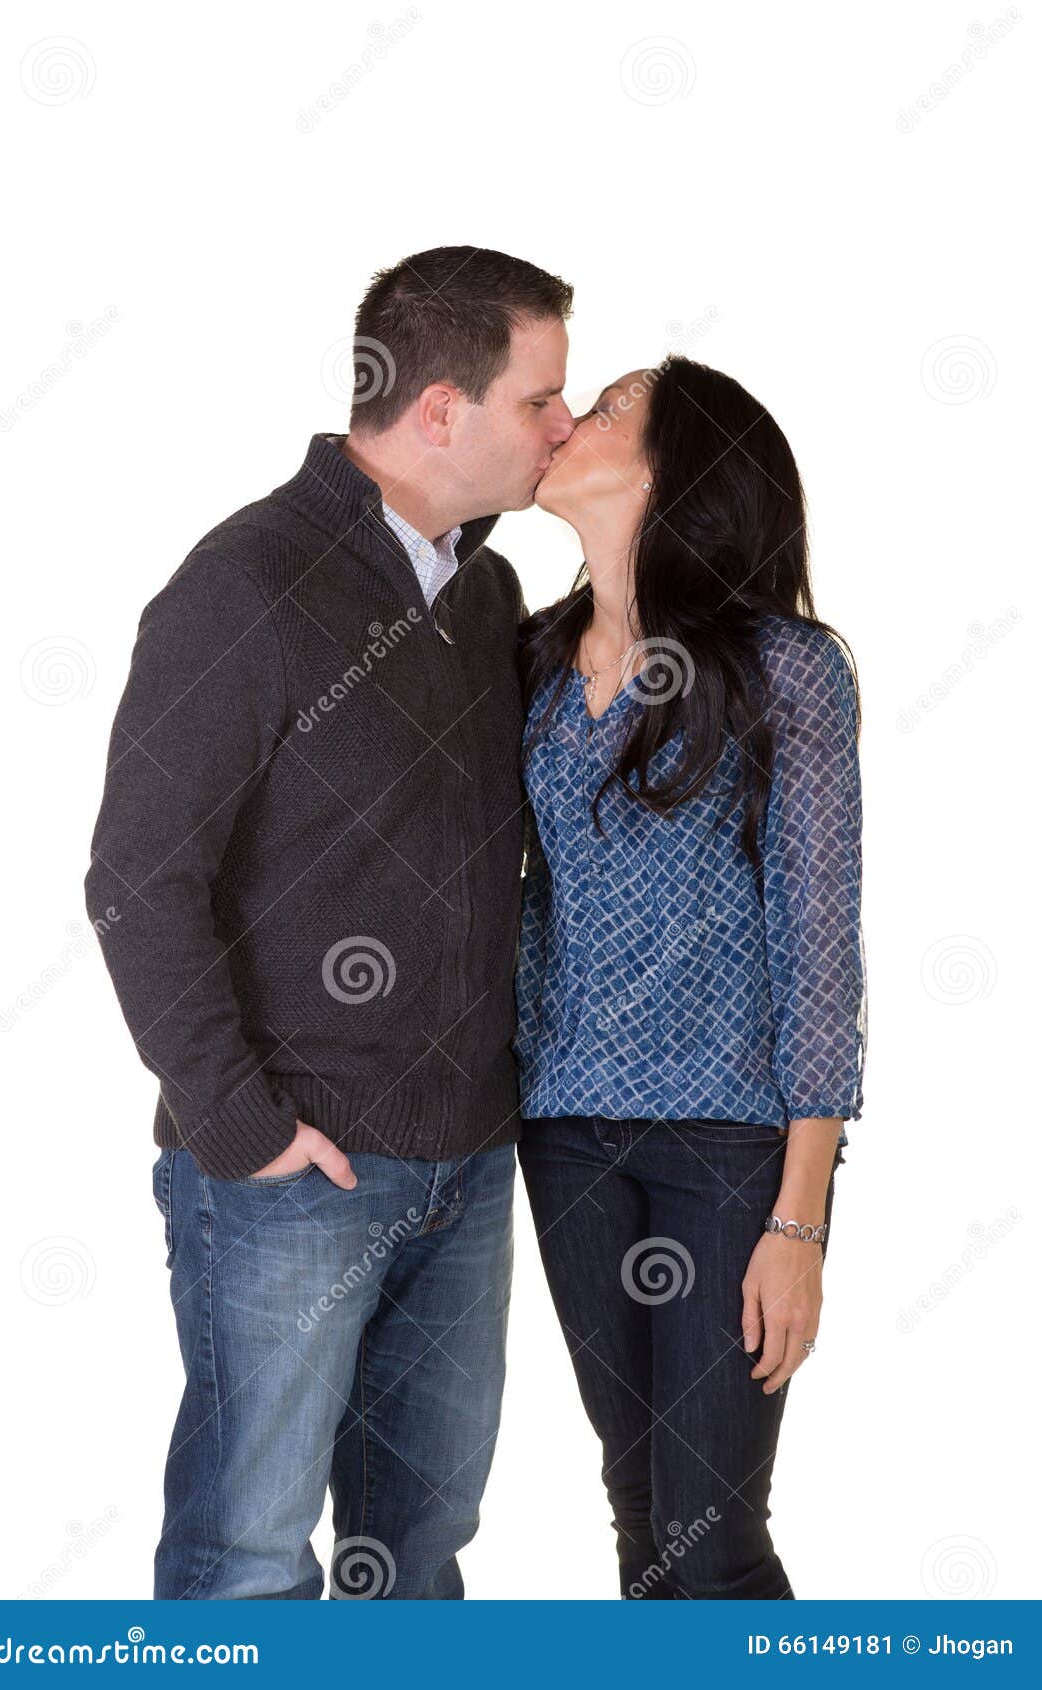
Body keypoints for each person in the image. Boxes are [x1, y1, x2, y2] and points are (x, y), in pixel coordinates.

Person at [83, 246, 574, 1599]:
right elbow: (135, 878)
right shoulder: (248, 583)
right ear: (440, 410)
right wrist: (239, 1126)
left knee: (415, 1557)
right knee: (246, 1563)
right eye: (539, 398)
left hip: (466, 1166)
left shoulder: (484, 595)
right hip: (290, 1170)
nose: (560, 425)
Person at [514, 355, 866, 1599]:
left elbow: (819, 943)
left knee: (710, 1534)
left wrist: (798, 1219)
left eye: (609, 407)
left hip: (729, 1147)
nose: (571, 418)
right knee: (639, 1511)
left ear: (676, 470)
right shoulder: (532, 657)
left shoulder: (783, 666)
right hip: (563, 1134)